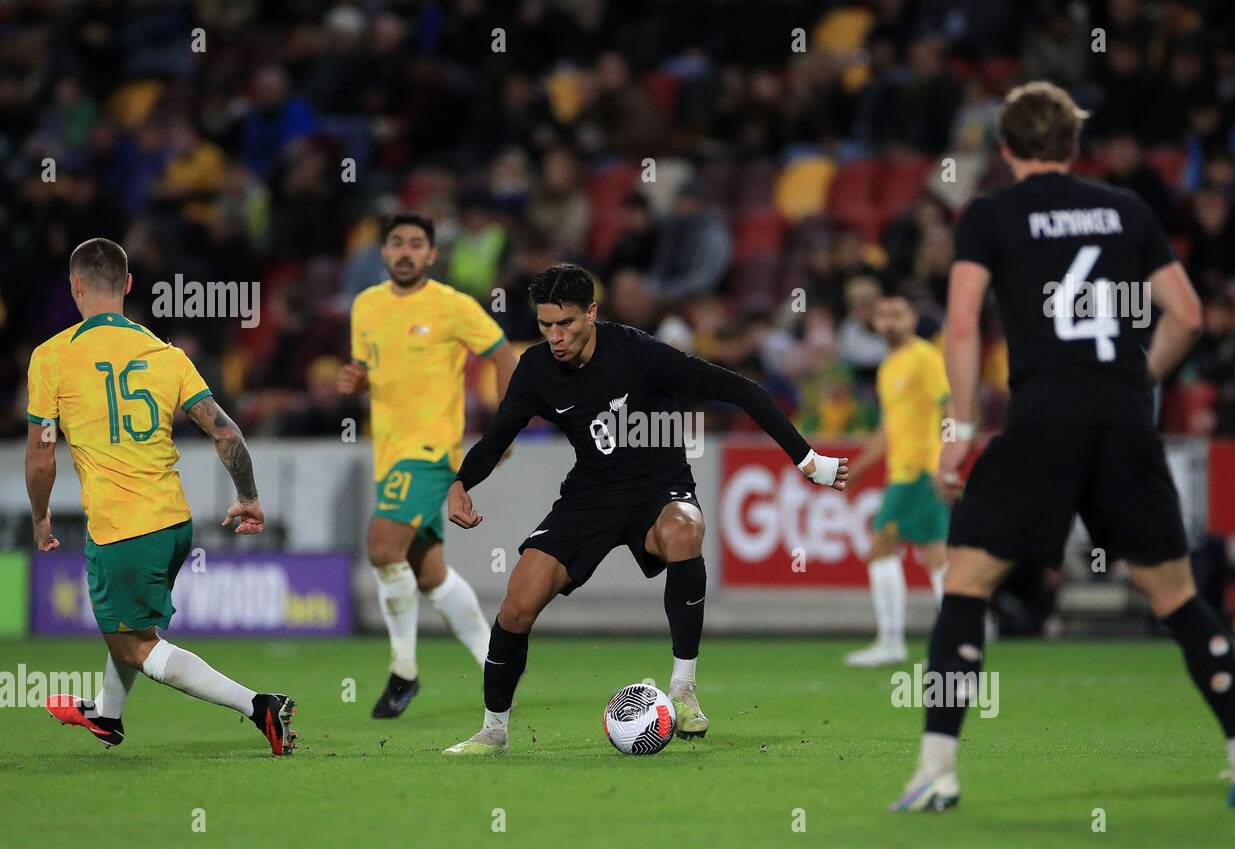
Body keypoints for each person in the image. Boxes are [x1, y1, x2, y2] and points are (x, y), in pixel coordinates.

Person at [893, 82, 1235, 812]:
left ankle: (937, 772)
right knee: (1179, 598)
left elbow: (966, 322)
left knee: (968, 584)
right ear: (1073, 144)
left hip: (1043, 422)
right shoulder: (1127, 209)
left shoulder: (990, 214)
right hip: (1124, 425)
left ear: (1006, 148)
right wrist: (1139, 380)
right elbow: (1190, 314)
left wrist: (960, 429)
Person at [440, 264, 848, 755]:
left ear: (592, 312)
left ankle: (683, 687)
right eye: (546, 325)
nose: (555, 336)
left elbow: (742, 390)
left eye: (565, 323)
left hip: (659, 487)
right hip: (590, 496)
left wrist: (807, 460)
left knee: (684, 530)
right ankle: (494, 730)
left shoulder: (640, 354)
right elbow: (497, 437)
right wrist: (463, 481)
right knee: (517, 605)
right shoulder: (537, 370)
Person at [29, 238, 295, 754]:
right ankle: (106, 714)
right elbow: (226, 433)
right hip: (173, 522)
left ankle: (259, 705)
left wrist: (41, 517)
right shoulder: (167, 354)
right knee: (130, 624)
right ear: (128, 285)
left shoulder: (51, 357)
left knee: (134, 645)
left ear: (74, 287)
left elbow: (41, 456)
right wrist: (248, 496)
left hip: (121, 528)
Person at [339, 213, 518, 719]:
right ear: (384, 252)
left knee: (381, 546)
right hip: (388, 453)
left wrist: (503, 430)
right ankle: (495, 661)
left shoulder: (451, 306)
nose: (405, 252)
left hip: (431, 452)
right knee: (429, 573)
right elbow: (371, 376)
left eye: (416, 244)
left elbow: (506, 357)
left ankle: (404, 671)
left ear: (432, 255)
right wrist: (356, 384)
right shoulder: (366, 306)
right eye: (396, 243)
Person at [843, 296, 951, 667]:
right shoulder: (888, 366)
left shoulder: (924, 356)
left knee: (881, 547)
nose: (889, 322)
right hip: (906, 470)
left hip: (920, 469)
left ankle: (892, 642)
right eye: (883, 315)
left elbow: (948, 405)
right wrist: (856, 470)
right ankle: (960, 636)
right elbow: (889, 429)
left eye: (898, 315)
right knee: (935, 552)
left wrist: (948, 458)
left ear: (912, 319)